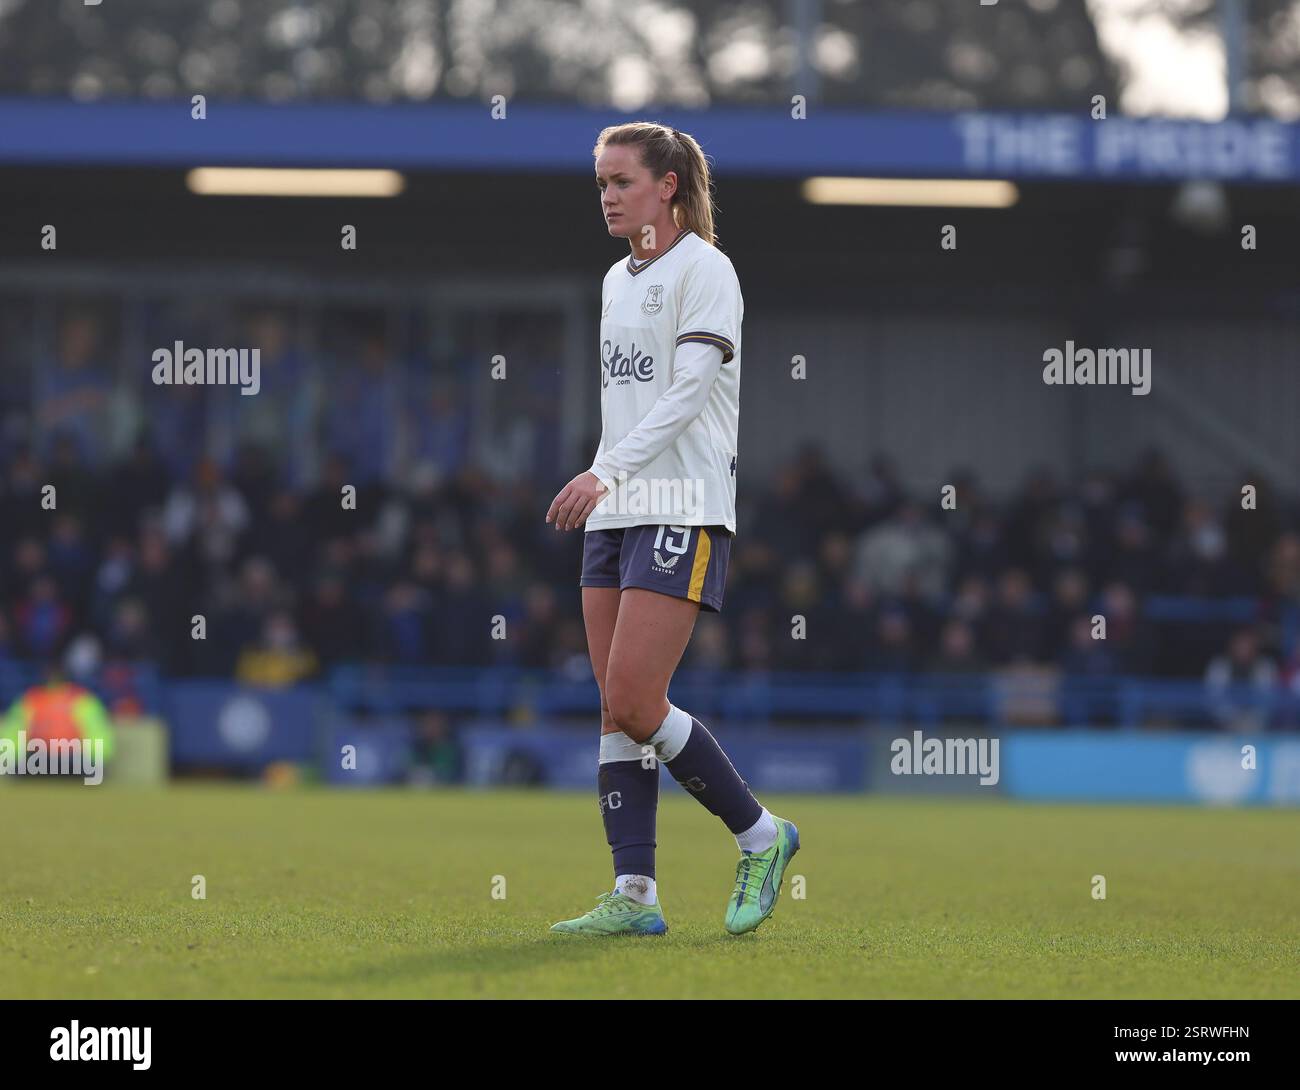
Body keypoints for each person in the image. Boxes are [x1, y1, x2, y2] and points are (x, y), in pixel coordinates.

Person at [544, 121, 798, 937]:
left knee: (635, 696)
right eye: (601, 184)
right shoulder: (618, 279)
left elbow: (689, 393)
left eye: (622, 181)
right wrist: (603, 480)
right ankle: (635, 896)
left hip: (681, 505)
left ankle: (763, 836)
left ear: (669, 187)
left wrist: (606, 472)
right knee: (616, 711)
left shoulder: (707, 271)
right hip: (615, 512)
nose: (609, 197)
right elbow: (627, 404)